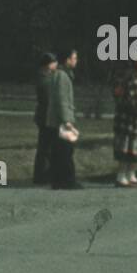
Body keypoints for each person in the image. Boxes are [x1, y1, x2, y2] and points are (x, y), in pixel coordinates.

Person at [47, 48, 83, 190]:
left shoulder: (60, 74)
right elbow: (62, 100)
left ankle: (58, 180)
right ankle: (67, 180)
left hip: (57, 120)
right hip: (62, 121)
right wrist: (67, 120)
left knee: (59, 151)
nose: (76, 61)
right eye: (74, 58)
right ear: (67, 60)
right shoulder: (62, 76)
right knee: (66, 152)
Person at [112, 59, 137, 187]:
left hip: (123, 118)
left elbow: (117, 97)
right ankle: (122, 176)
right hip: (132, 120)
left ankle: (130, 175)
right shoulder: (133, 79)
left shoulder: (121, 77)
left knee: (128, 147)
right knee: (129, 147)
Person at [32, 52, 58, 184]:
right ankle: (42, 175)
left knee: (45, 147)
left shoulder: (45, 77)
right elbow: (48, 99)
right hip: (46, 117)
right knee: (46, 148)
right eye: (54, 62)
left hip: (44, 116)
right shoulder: (45, 80)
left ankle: (42, 174)